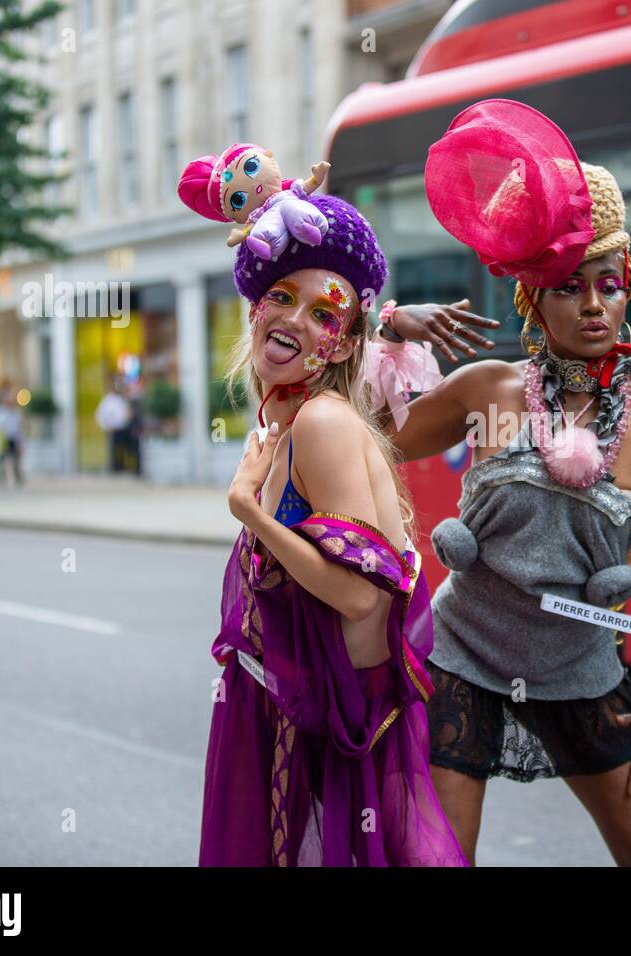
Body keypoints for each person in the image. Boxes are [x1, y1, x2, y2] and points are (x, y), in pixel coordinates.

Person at [370, 100, 631, 866]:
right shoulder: (487, 390)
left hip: (581, 667)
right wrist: (386, 329)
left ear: (630, 287)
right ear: (531, 297)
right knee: (436, 860)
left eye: (610, 284)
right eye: (568, 287)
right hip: (462, 654)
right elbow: (361, 445)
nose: (594, 304)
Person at [199, 192, 468, 867]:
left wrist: (249, 509)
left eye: (324, 314)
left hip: (335, 731)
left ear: (345, 341)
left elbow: (360, 595)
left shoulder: (320, 422)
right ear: (256, 307)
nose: (292, 319)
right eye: (282, 296)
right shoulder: (290, 420)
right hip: (303, 713)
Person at [0, 388, 24, 487]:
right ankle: (2, 480)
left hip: (13, 439)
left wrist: (21, 443)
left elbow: (19, 429)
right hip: (2, 440)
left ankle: (17, 478)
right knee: (1, 460)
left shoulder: (16, 412)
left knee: (15, 461)